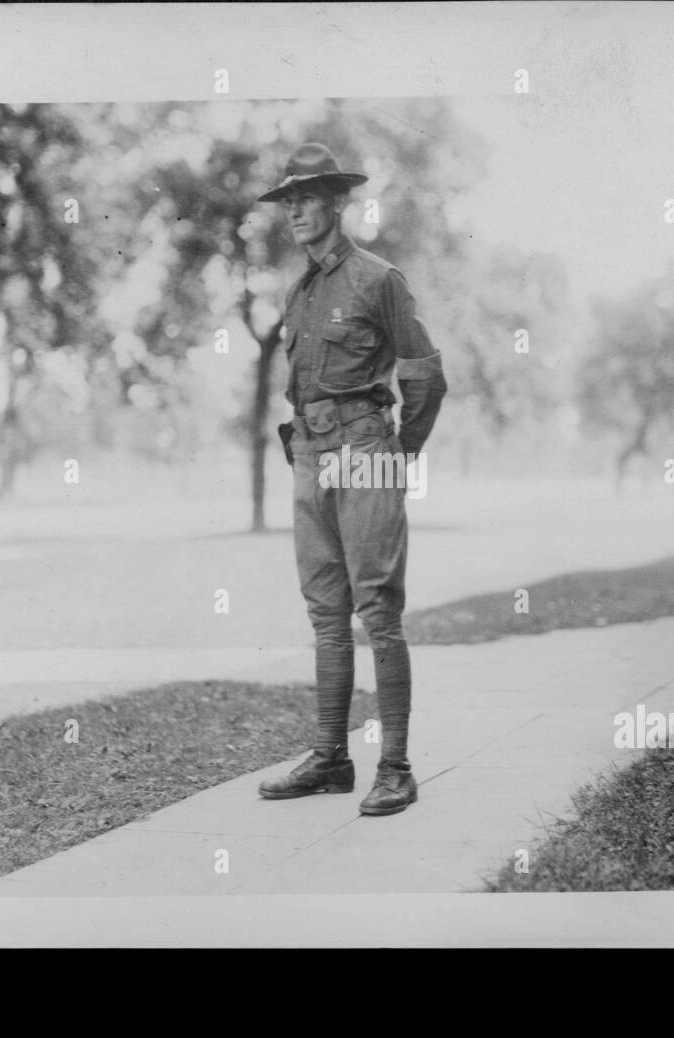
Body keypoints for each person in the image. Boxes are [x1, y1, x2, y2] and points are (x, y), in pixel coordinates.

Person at [255, 143, 447, 816]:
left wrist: (399, 455)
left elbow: (425, 375)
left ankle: (394, 767)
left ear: (339, 202)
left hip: (366, 450)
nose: (296, 211)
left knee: (378, 612)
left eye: (308, 198)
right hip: (311, 454)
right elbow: (299, 387)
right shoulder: (299, 290)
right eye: (289, 202)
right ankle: (331, 758)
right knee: (325, 614)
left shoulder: (378, 280)